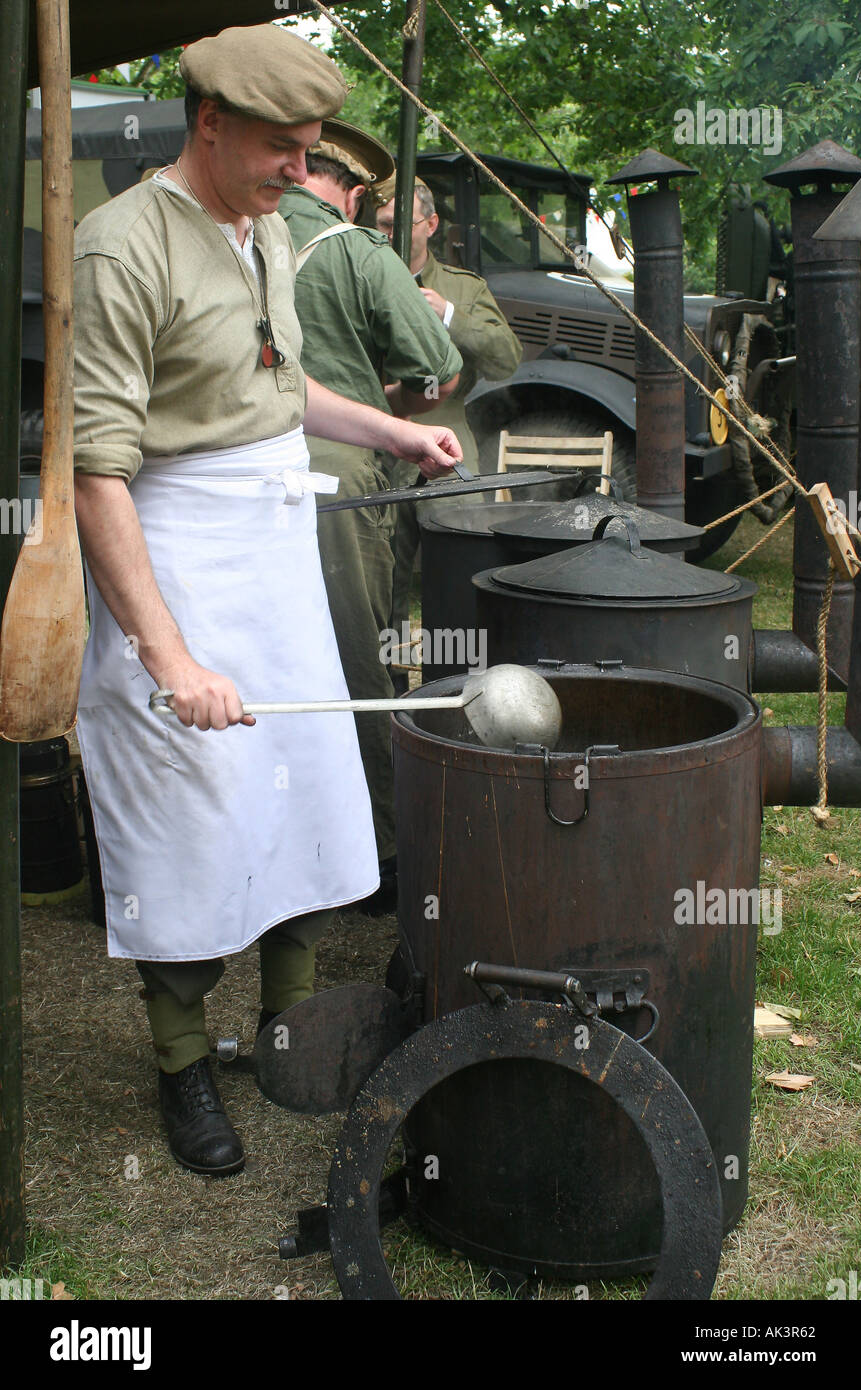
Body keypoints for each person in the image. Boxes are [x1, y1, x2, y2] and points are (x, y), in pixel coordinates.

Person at [72, 24, 461, 1178]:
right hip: (176, 558)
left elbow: (280, 389)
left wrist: (388, 427)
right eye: (282, 149)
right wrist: (168, 656)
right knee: (190, 815)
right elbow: (96, 472)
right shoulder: (121, 245)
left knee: (300, 788)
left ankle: (290, 1029)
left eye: (309, 149)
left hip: (278, 555)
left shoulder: (270, 231)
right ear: (208, 122)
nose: (302, 171)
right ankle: (183, 1059)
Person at [279, 124, 462, 914]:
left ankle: (273, 841)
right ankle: (380, 856)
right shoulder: (355, 251)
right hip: (337, 485)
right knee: (359, 661)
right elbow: (437, 371)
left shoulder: (228, 230)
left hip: (225, 480)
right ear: (354, 194)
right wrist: (386, 408)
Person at [373, 174, 523, 638]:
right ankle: (387, 673)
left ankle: (460, 669)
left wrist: (449, 316)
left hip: (446, 439)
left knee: (461, 564)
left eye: (403, 224)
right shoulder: (360, 278)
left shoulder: (463, 289)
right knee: (380, 577)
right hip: (375, 437)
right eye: (382, 225)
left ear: (432, 224)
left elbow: (506, 359)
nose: (392, 235)